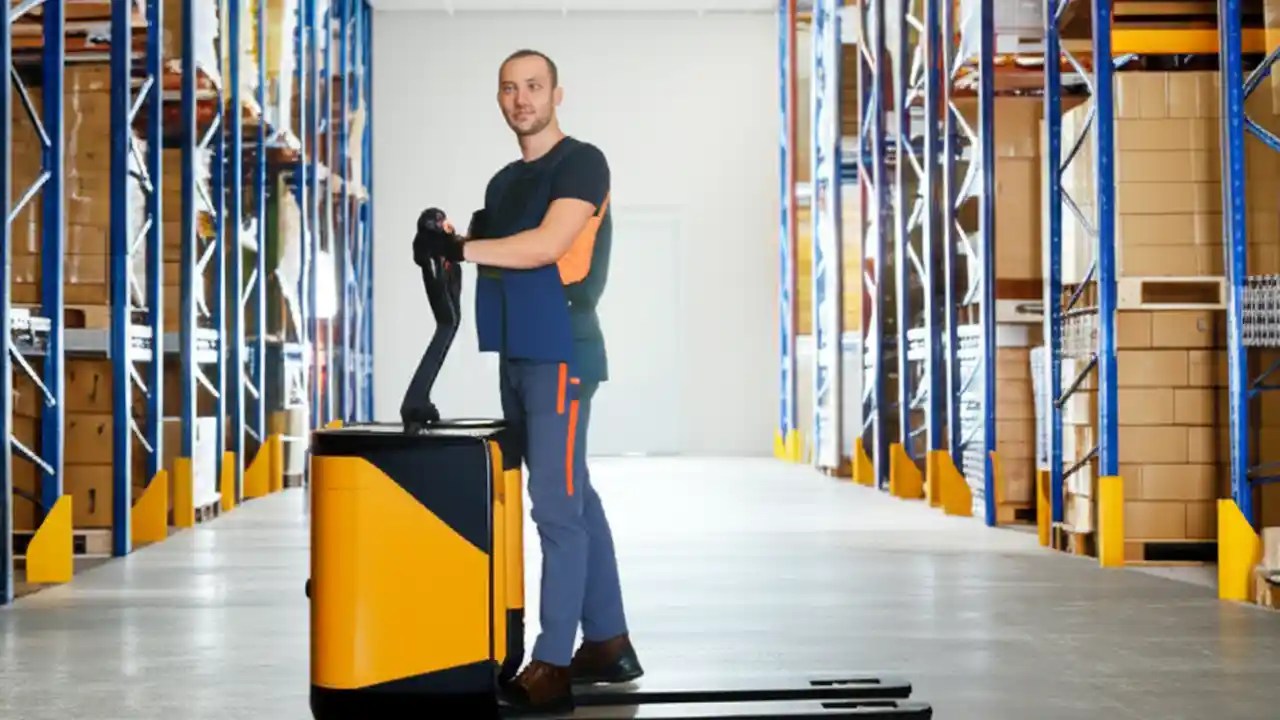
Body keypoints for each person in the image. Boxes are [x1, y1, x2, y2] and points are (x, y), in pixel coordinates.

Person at [413, 48, 641, 712]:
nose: (522, 99)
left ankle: (551, 665)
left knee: (554, 508)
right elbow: (493, 244)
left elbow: (544, 245)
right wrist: (448, 236)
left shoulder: (582, 162)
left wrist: (459, 248)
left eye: (534, 86)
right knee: (575, 495)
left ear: (557, 94)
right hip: (517, 350)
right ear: (500, 99)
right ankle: (607, 641)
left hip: (563, 350)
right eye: (510, 88)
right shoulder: (504, 181)